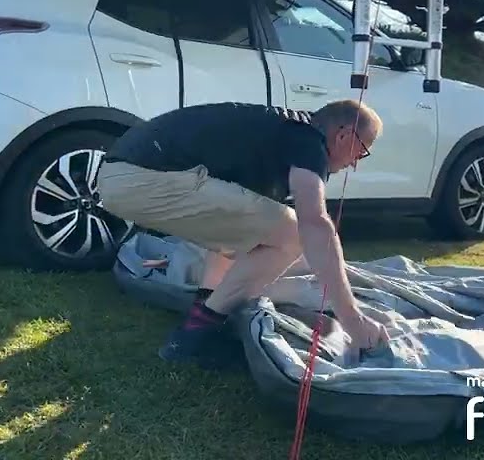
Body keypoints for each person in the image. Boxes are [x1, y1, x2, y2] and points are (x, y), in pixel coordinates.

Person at [97, 99, 390, 369]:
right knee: (296, 234)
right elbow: (314, 224)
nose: (354, 164)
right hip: (141, 176)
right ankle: (200, 329)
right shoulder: (307, 139)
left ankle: (194, 336)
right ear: (344, 135)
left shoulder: (274, 136)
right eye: (362, 152)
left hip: (120, 176)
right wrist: (353, 319)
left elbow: (232, 234)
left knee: (257, 233)